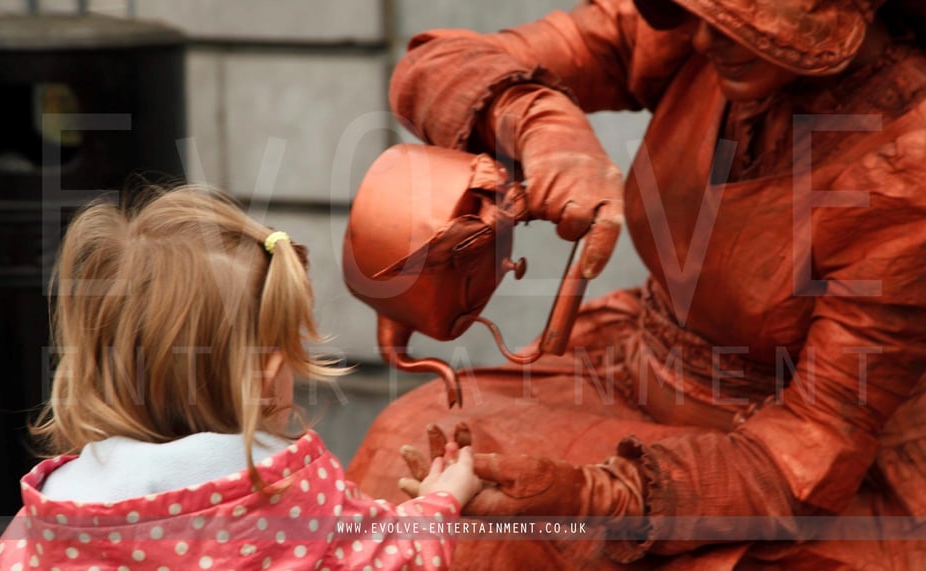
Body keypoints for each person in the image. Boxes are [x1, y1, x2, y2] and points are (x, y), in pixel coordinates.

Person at [346, 0, 926, 569]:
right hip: (635, 367)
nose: (702, 40)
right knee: (420, 442)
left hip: (775, 471)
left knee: (508, 531)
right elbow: (438, 62)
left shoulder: (908, 167)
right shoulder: (686, 31)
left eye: (738, 20)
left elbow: (809, 450)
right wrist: (542, 127)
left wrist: (594, 497)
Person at [0, 186, 481, 570]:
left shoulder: (50, 513)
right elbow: (396, 557)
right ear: (269, 375)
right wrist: (444, 499)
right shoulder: (291, 491)